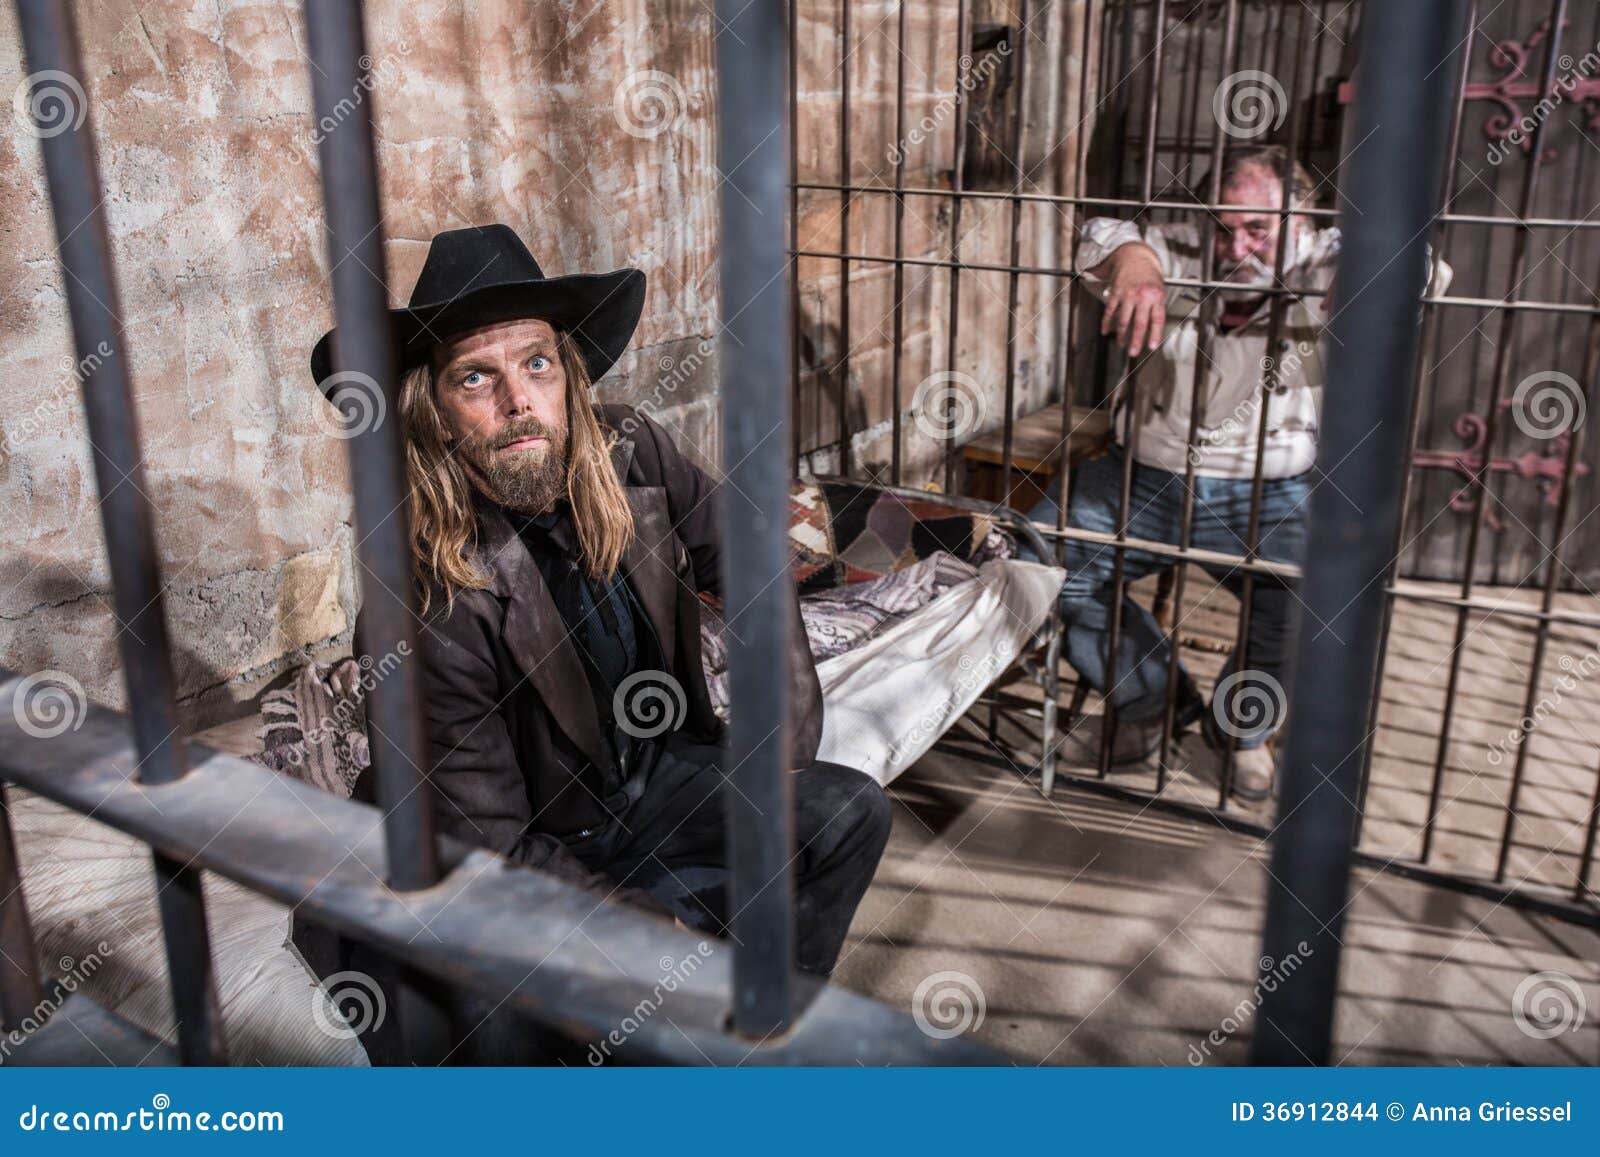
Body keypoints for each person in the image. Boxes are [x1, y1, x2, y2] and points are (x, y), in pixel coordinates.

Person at [299, 225, 890, 1059]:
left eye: (537, 364)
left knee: (847, 813)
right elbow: (492, 851)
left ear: (569, 379)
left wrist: (780, 749)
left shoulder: (631, 451)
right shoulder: (422, 597)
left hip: (649, 779)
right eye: (476, 377)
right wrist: (650, 932)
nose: (518, 402)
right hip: (531, 839)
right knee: (515, 1026)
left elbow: (752, 563)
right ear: (435, 413)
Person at [1028, 146, 1448, 800]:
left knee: (1317, 603)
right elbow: (1098, 234)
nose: (1236, 247)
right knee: (1037, 562)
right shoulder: (1178, 247)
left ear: (1301, 221)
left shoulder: (1323, 256)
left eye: (1258, 228)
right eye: (1223, 227)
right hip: (1145, 475)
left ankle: (1239, 731)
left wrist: (1376, 267)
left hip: (1270, 488)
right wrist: (1134, 262)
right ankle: (1151, 699)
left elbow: (1425, 268)